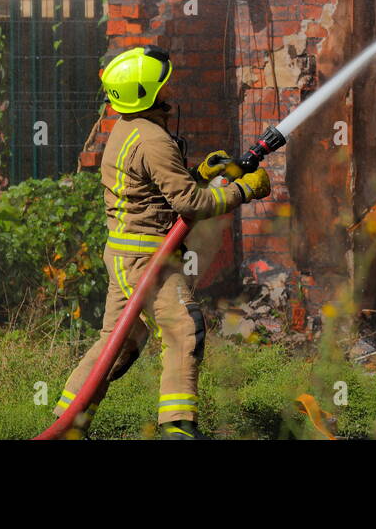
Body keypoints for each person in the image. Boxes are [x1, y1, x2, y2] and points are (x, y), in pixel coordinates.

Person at [54, 45, 270, 439]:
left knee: (117, 344)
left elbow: (161, 189)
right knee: (184, 329)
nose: (170, 93)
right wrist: (244, 191)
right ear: (148, 94)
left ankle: (67, 422)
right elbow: (189, 203)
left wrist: (200, 173)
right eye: (164, 87)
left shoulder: (129, 129)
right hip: (143, 257)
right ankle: (177, 430)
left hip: (129, 252)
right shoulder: (152, 138)